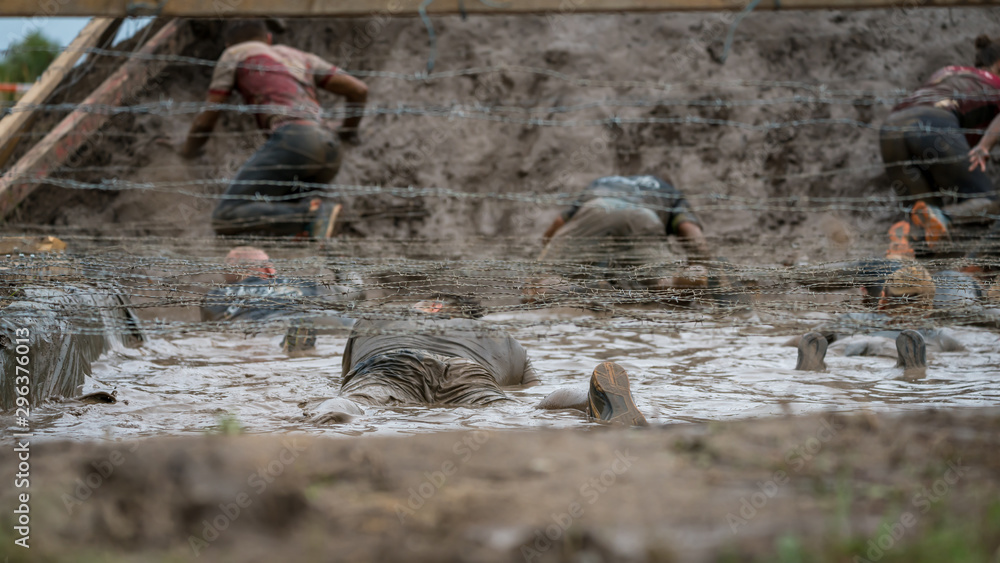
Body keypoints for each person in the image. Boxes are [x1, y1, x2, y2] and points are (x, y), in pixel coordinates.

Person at [309, 297, 648, 426]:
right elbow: (530, 388)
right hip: (468, 374)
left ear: (433, 306)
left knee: (356, 399)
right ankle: (587, 401)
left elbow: (345, 376)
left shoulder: (374, 319)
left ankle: (334, 414)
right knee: (520, 410)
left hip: (393, 365)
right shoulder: (499, 336)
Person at [180, 19, 369, 238]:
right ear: (269, 39)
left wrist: (187, 151)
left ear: (227, 44)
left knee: (227, 214)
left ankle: (311, 216)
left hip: (294, 141)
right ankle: (307, 227)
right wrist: (348, 132)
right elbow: (359, 90)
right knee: (281, 217)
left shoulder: (235, 54)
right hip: (330, 150)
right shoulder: (301, 56)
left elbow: (206, 120)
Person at [880, 35, 1000, 256]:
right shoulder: (996, 83)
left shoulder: (950, 72)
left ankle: (904, 248)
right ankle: (944, 218)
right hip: (933, 122)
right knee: (989, 204)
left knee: (927, 221)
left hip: (890, 129)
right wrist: (985, 146)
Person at [530, 174, 713, 295]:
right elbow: (691, 231)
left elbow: (558, 223)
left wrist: (549, 255)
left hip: (597, 207)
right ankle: (683, 280)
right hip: (645, 216)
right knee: (664, 282)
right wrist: (700, 265)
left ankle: (577, 289)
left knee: (538, 284)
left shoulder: (604, 182)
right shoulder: (669, 191)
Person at [201, 246, 360, 352]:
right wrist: (341, 264)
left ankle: (290, 340)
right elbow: (354, 291)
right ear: (268, 269)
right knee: (354, 326)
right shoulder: (300, 284)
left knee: (267, 338)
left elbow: (212, 327)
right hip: (321, 318)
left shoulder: (219, 295)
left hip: (266, 327)